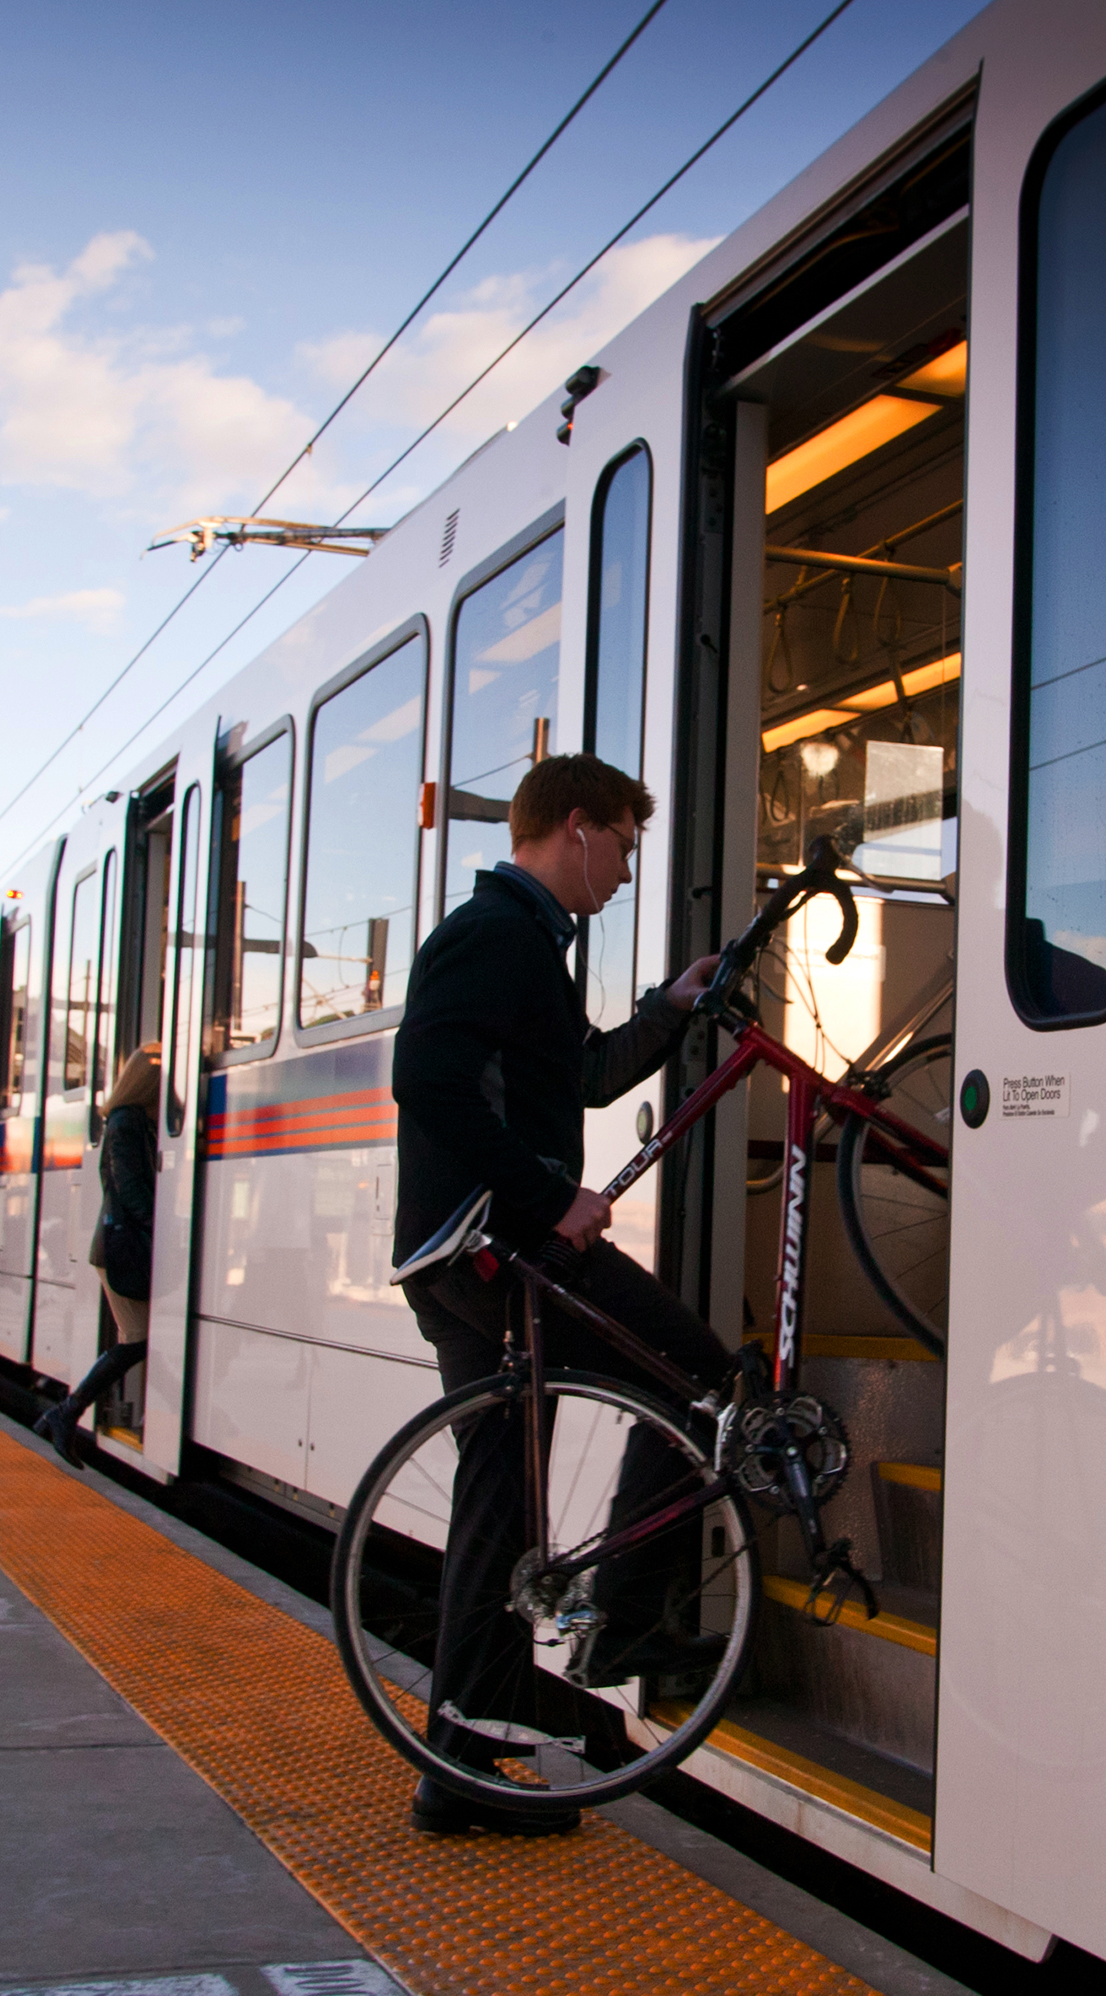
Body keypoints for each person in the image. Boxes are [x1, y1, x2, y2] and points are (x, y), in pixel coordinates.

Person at [393, 753, 733, 1836]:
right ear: (577, 827)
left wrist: (670, 1008)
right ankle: (625, 1632)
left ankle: (465, 1764)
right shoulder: (494, 934)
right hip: (498, 1250)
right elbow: (428, 1080)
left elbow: (578, 1074)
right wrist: (549, 1193)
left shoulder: (528, 941)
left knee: (503, 1494)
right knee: (704, 1380)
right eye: (626, 845)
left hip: (471, 1253)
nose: (628, 871)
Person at [34, 1044, 159, 1466]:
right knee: (136, 1339)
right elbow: (130, 1188)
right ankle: (67, 1412)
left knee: (140, 1339)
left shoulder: (131, 1120)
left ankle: (66, 1413)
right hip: (121, 1248)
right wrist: (161, 1225)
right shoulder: (127, 1122)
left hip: (120, 1246)